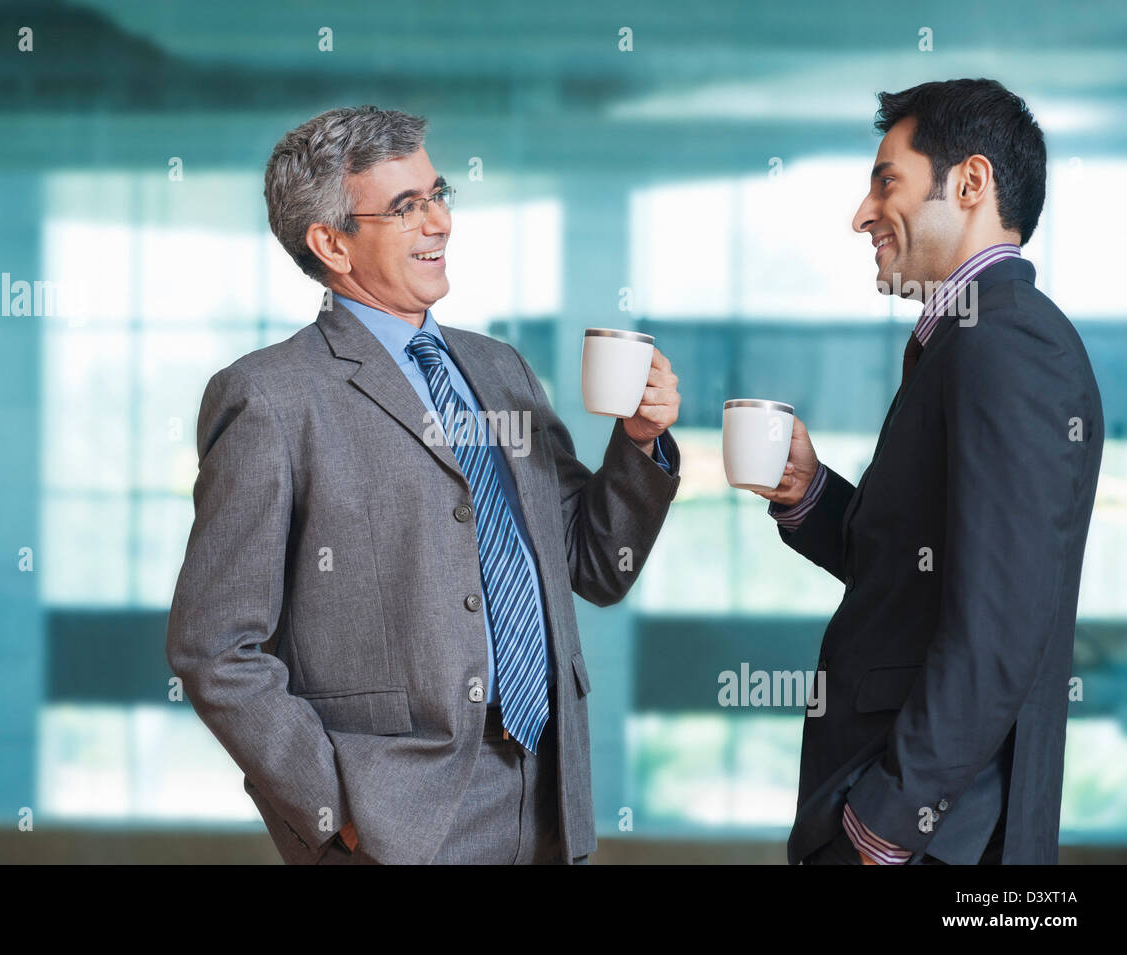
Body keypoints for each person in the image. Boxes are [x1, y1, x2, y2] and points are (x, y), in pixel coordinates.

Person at [165, 105, 682, 864]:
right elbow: (214, 648)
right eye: (406, 208)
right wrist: (337, 808)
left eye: (438, 193)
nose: (439, 221)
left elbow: (595, 563)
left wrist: (639, 444)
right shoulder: (271, 399)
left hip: (549, 794)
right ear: (331, 242)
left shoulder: (502, 369)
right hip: (395, 817)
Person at [757, 79, 1103, 865]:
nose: (861, 213)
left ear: (970, 182)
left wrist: (878, 827)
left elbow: (997, 631)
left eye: (887, 180)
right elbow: (927, 574)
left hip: (933, 841)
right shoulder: (968, 340)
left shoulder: (1009, 344)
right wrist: (812, 493)